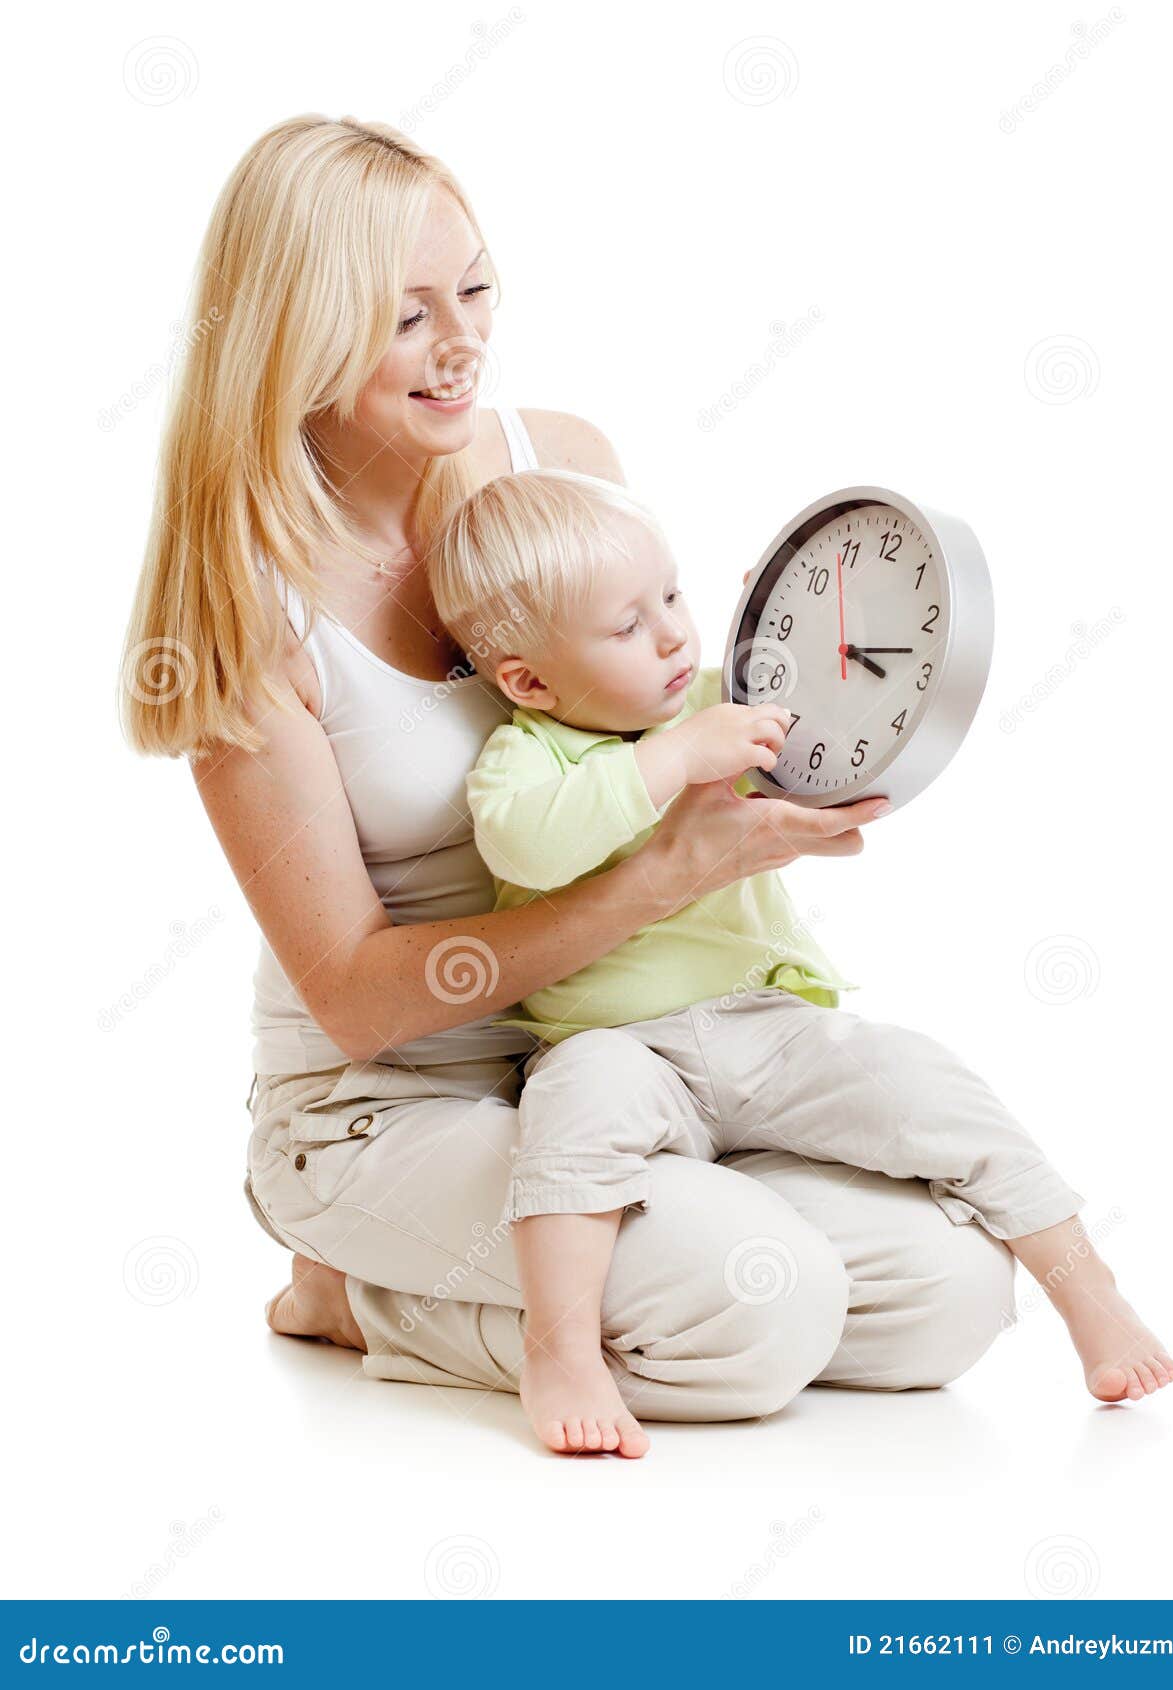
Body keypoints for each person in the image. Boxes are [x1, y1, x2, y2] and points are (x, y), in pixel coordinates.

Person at [119, 113, 1022, 1451]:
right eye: (403, 315)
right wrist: (662, 875)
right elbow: (358, 999)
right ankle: (357, 1290)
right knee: (751, 1309)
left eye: (474, 290)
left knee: (947, 1292)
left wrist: (777, 721)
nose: (462, 341)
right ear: (289, 328)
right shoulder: (245, 616)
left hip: (609, 1060)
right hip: (388, 1104)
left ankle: (535, 1272)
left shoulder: (560, 458)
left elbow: (632, 718)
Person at [428, 467, 1173, 1457]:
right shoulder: (526, 761)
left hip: (761, 1023)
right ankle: (559, 1345)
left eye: (672, 596)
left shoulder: (712, 707)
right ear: (527, 681)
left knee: (925, 1084)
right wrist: (676, 755)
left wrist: (784, 632)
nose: (669, 634)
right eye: (625, 626)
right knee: (571, 1120)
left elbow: (820, 724)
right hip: (609, 1042)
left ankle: (1089, 1291)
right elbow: (530, 844)